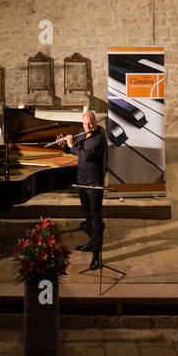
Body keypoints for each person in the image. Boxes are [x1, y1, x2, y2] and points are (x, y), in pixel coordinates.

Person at [63, 110, 107, 268]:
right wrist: (65, 146)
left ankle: (97, 256)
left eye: (91, 123)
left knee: (96, 219)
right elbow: (74, 150)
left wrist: (71, 145)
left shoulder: (100, 138)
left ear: (95, 122)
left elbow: (86, 155)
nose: (88, 126)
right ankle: (91, 243)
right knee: (88, 216)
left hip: (94, 183)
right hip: (81, 181)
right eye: (85, 123)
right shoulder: (82, 133)